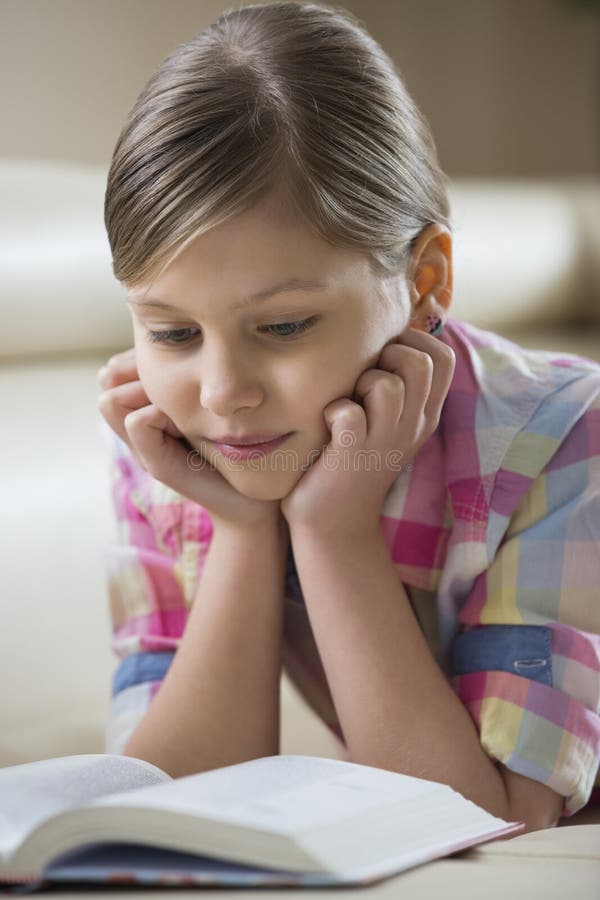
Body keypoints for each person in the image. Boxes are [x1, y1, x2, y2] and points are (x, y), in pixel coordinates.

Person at [96, 1, 600, 834]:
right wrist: (246, 529)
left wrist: (334, 533)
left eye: (285, 326)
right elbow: (172, 813)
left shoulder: (562, 434)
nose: (222, 393)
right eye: (173, 331)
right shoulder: (170, 440)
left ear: (427, 283)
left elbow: (498, 825)